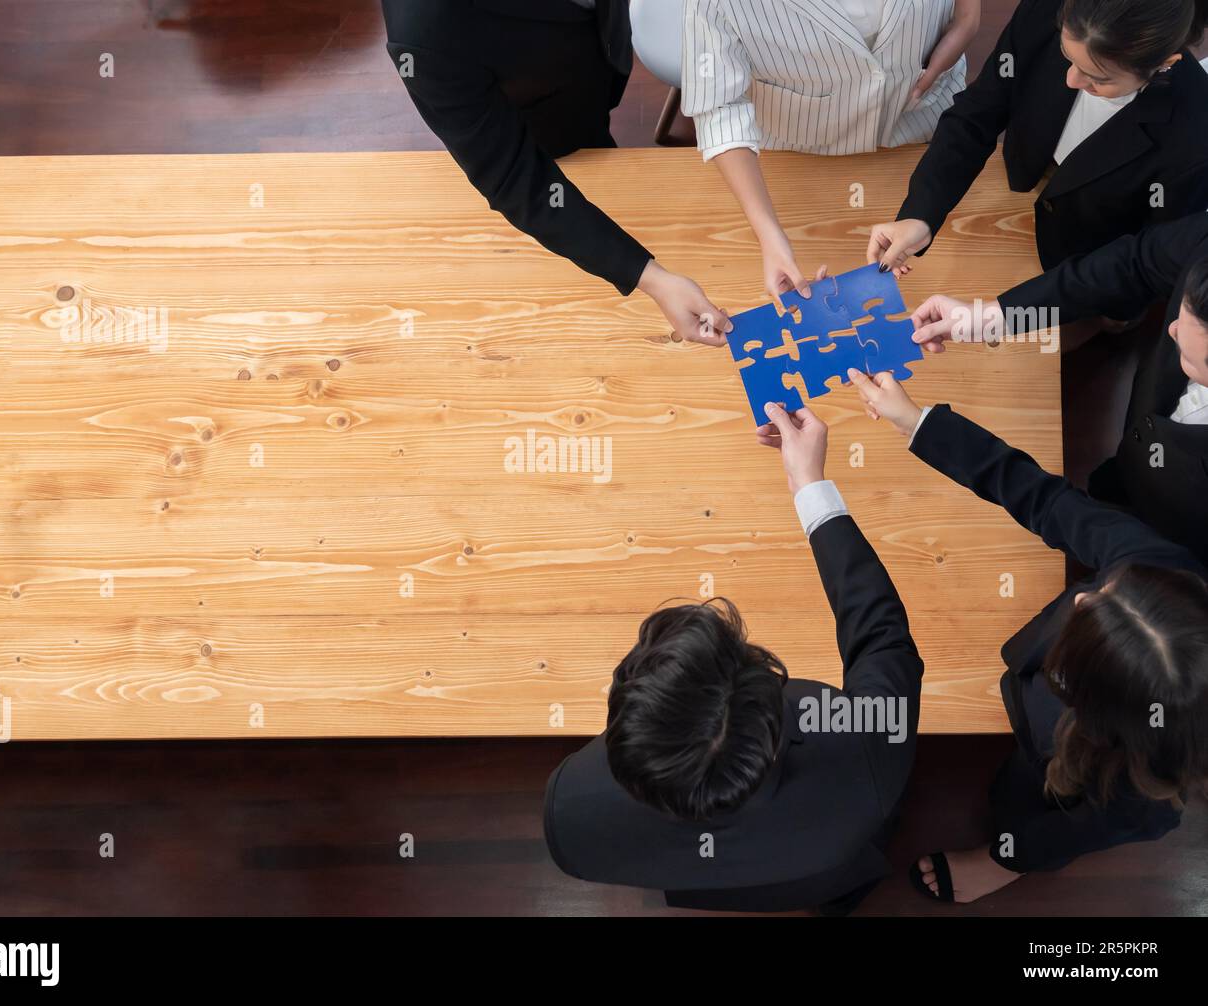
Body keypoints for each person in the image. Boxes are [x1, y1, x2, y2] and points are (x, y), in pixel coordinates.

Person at [544, 400, 924, 914]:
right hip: (822, 871)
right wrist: (810, 487)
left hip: (707, 885)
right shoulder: (861, 757)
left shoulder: (569, 809)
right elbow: (884, 641)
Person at [849, 367, 1208, 903]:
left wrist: (1008, 856)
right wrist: (917, 424)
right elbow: (1045, 498)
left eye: (1093, 614)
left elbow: (1082, 827)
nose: (1084, 594)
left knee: (1031, 804)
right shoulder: (1150, 563)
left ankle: (1005, 859)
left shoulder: (1142, 791)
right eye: (1109, 590)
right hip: (1066, 725)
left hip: (1067, 761)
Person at [381, 0, 732, 345]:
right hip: (554, 107)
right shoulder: (422, 33)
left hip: (602, 43)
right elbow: (518, 181)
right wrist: (651, 277)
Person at [908, 212, 1208, 563]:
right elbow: (1134, 266)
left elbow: (1140, 556)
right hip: (1139, 451)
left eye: (1194, 358)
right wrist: (993, 318)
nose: (1171, 331)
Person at [868, 0, 1208, 275]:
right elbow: (977, 114)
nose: (1071, 80)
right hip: (1024, 174)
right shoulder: (1045, 10)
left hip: (1095, 251)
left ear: (1165, 64)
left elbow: (1151, 254)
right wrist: (921, 214)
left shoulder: (1194, 133)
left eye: (1098, 78)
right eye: (1066, 56)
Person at [683, 0, 980, 299]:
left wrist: (968, 19)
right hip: (801, 152)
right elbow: (720, 107)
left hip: (922, 126)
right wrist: (769, 234)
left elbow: (967, 16)